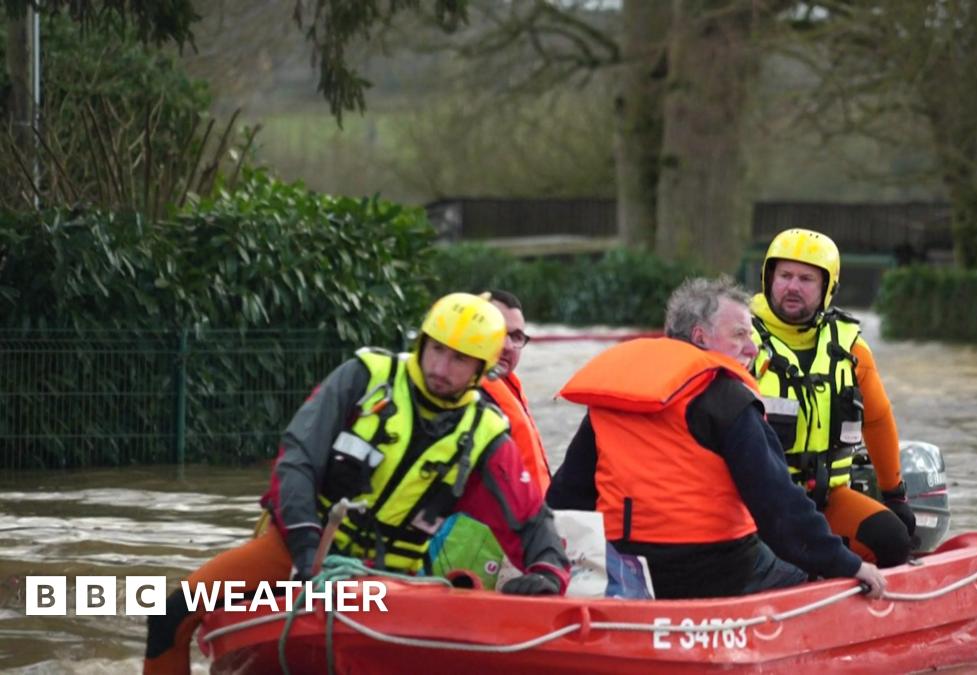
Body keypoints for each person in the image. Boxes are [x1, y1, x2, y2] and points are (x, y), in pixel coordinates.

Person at [144, 293, 570, 675]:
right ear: (422, 344)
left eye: (458, 359)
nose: (441, 368)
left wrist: (548, 573)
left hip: (394, 577)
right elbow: (297, 461)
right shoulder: (363, 378)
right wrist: (308, 547)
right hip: (297, 550)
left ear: (480, 368)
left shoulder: (486, 433)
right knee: (171, 614)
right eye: (436, 350)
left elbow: (530, 518)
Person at [546, 277, 885, 600]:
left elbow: (565, 495)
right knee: (802, 571)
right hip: (716, 568)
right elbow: (778, 505)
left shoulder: (617, 394)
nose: (752, 349)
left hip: (628, 563)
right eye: (739, 334)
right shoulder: (727, 399)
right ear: (700, 337)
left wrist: (542, 558)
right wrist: (847, 564)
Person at [750, 228, 914, 568]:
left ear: (828, 289)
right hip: (756, 503)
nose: (793, 286)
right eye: (785, 275)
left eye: (807, 279)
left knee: (893, 539)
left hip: (826, 497)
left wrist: (894, 494)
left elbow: (878, 419)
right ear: (769, 279)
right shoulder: (740, 342)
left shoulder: (850, 347)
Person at [479, 290, 552, 493]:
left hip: (531, 517)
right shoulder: (462, 397)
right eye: (498, 332)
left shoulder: (507, 387)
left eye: (517, 336)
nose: (508, 345)